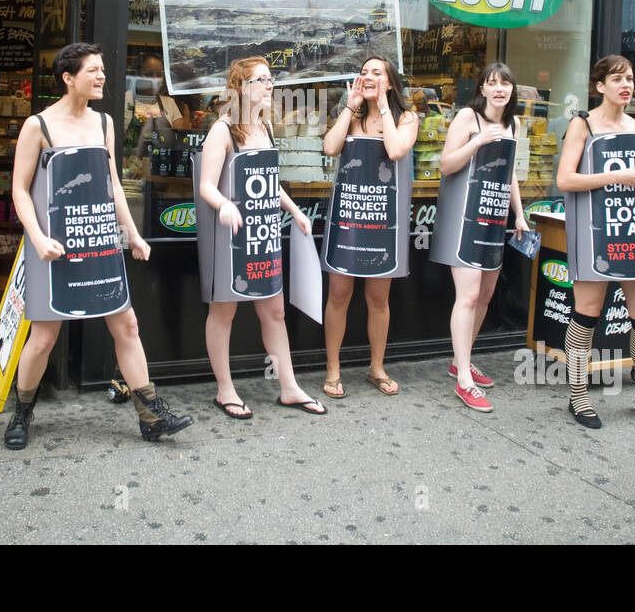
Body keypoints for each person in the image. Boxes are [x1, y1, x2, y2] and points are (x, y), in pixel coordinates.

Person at [4, 42, 193, 449]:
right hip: (51, 242)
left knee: (126, 324)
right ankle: (22, 411)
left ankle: (150, 414)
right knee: (44, 337)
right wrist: (37, 239)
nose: (102, 76)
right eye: (93, 70)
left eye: (103, 69)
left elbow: (112, 187)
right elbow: (19, 190)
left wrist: (133, 234)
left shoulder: (105, 123)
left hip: (100, 238)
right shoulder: (39, 125)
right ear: (68, 77)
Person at [196, 56, 325, 418]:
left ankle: (289, 387)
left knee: (275, 312)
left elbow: (271, 182)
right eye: (261, 80)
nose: (270, 86)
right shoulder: (222, 130)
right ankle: (225, 390)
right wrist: (223, 204)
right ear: (241, 88)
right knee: (223, 313)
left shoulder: (265, 128)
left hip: (264, 235)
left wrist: (295, 210)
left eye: (271, 79)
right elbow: (206, 184)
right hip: (232, 238)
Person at [556, 54, 635, 430]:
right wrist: (613, 178)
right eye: (617, 78)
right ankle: (578, 396)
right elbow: (565, 180)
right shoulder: (583, 125)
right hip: (596, 230)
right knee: (586, 311)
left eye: (630, 79)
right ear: (599, 86)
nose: (626, 85)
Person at [320, 56, 419, 398]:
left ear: (390, 82)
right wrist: (351, 108)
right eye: (364, 72)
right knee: (338, 294)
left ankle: (376, 367)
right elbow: (329, 147)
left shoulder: (406, 117)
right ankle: (333, 369)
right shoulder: (352, 114)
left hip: (382, 221)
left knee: (378, 298)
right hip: (348, 216)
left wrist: (383, 109)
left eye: (377, 73)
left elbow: (394, 150)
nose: (368, 76)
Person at [435, 62, 530, 412]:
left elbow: (511, 174)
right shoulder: (467, 118)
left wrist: (518, 213)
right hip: (463, 217)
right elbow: (446, 164)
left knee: (486, 294)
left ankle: (461, 360)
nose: (499, 89)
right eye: (492, 83)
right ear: (483, 89)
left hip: (494, 217)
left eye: (505, 83)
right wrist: (477, 143)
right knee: (469, 294)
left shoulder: (514, 123)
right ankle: (464, 382)